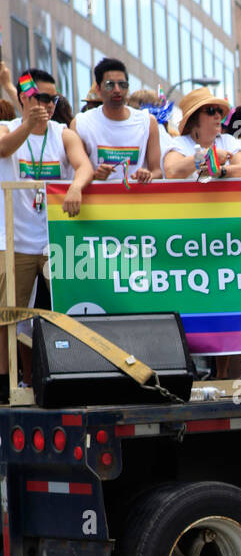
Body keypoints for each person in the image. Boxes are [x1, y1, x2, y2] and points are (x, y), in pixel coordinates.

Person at [0, 67, 93, 396]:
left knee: (67, 309)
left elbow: (84, 165)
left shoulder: (63, 134)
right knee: (10, 316)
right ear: (25, 98)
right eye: (41, 97)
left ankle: (70, 374)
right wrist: (27, 123)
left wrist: (76, 187)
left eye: (54, 98)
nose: (49, 104)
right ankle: (12, 384)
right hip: (17, 242)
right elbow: (3, 149)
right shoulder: (7, 128)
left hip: (57, 242)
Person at [73, 58, 159, 182]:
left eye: (123, 85)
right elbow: (74, 172)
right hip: (97, 199)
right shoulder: (81, 123)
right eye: (110, 85)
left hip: (137, 199)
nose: (117, 90)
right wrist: (95, 176)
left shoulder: (148, 122)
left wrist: (147, 175)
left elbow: (157, 171)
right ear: (98, 89)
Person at [163, 88, 241, 182]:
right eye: (211, 110)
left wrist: (221, 171)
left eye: (219, 111)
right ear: (194, 117)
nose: (218, 116)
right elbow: (171, 172)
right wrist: (208, 156)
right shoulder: (179, 143)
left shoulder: (228, 140)